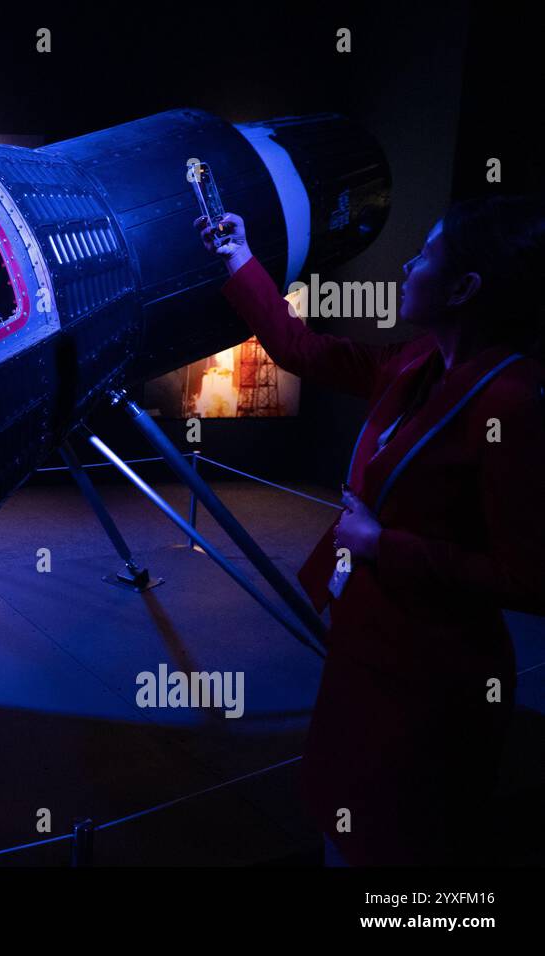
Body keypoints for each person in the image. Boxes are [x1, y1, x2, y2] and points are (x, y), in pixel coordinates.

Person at [195, 196, 545, 865]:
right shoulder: (419, 361)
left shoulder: (513, 401)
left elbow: (530, 577)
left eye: (426, 255)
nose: (408, 265)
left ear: (464, 287)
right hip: (371, 646)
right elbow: (302, 349)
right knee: (347, 824)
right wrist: (238, 259)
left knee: (392, 841)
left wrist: (386, 545)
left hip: (431, 675)